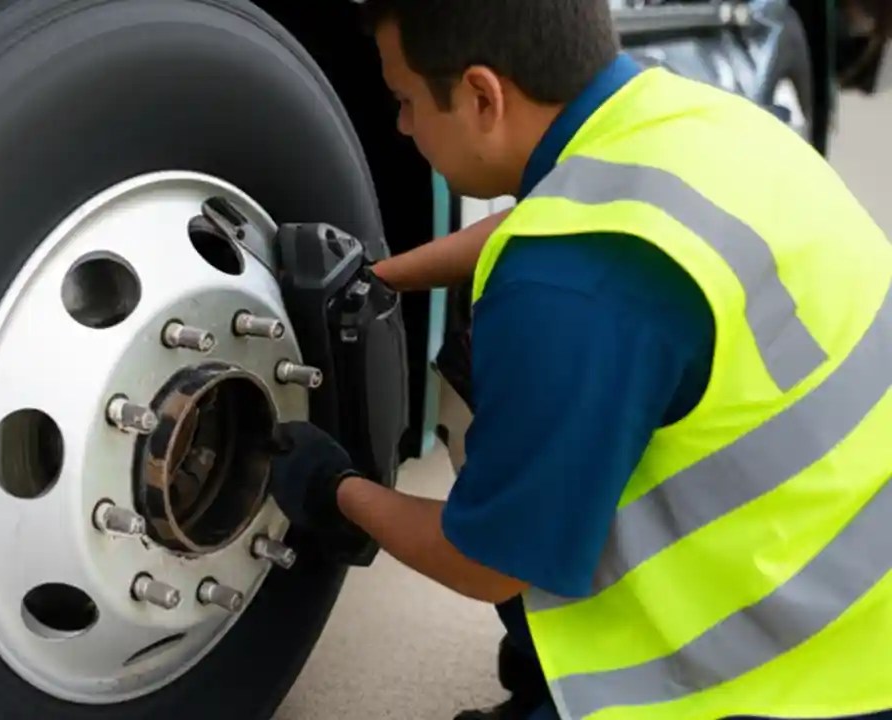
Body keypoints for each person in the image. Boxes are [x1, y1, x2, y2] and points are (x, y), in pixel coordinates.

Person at [266, 1, 892, 720]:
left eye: (405, 101)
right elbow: (546, 216)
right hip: (855, 597)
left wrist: (334, 487)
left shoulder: (565, 286)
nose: (403, 126)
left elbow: (486, 565)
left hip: (795, 680)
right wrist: (381, 277)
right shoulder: (694, 120)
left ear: (480, 96)